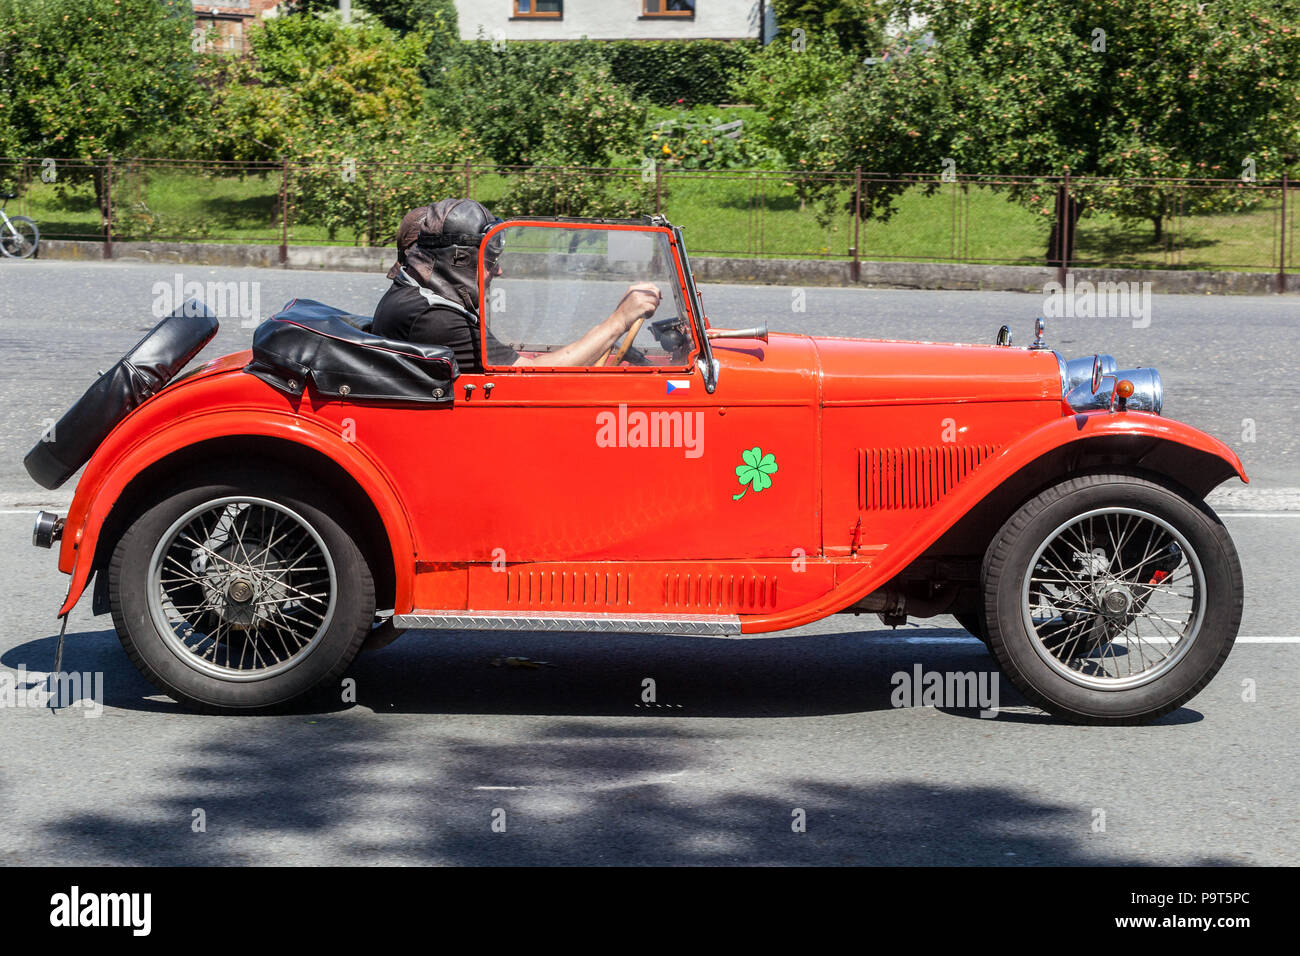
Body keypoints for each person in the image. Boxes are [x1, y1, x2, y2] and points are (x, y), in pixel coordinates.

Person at [372, 198, 662, 372]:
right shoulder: (435, 318)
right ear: (458, 261)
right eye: (488, 260)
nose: (498, 270)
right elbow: (532, 376)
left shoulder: (411, 294)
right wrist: (619, 321)